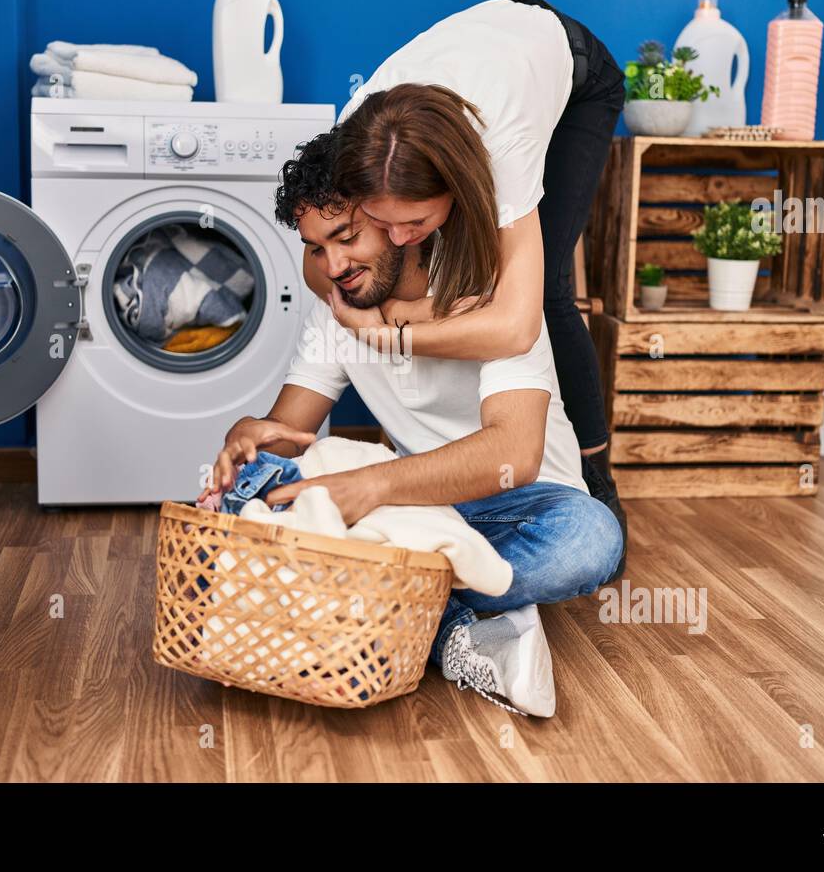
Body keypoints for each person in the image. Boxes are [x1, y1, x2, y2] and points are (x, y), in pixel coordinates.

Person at [199, 130, 623, 716]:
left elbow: (514, 454)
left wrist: (368, 486)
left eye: (346, 238)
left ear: (395, 218)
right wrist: (247, 437)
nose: (334, 267)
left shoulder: (492, 297)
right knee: (246, 489)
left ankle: (343, 603)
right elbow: (287, 433)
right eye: (317, 249)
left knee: (590, 540)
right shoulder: (340, 307)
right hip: (412, 516)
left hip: (519, 503)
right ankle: (454, 619)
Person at [316, 0, 629, 562]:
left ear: (458, 191)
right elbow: (321, 253)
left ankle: (596, 473)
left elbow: (514, 327)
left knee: (546, 285)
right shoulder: (351, 143)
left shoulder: (502, 151)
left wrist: (398, 331)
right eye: (382, 222)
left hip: (573, 65)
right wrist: (376, 304)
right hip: (483, 47)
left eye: (416, 221)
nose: (401, 238)